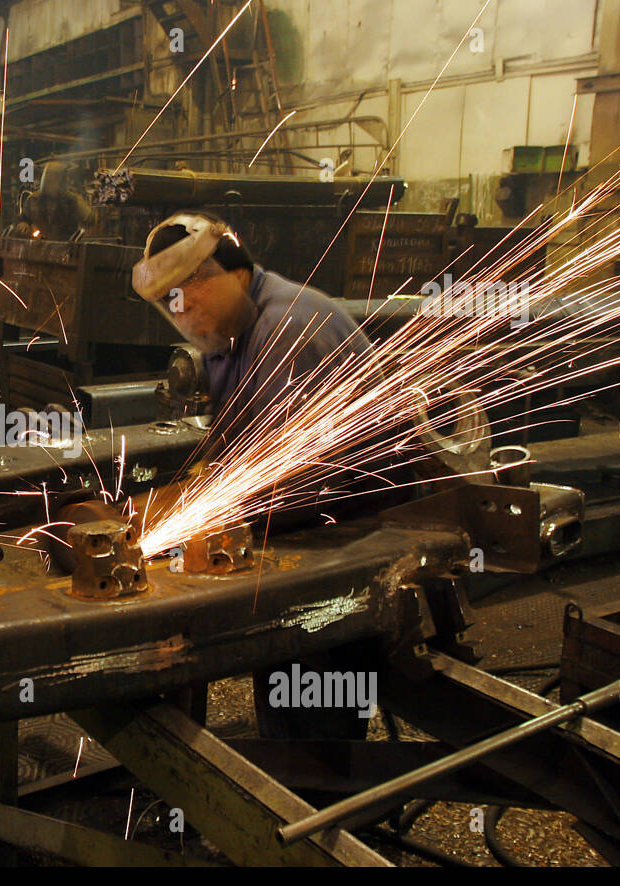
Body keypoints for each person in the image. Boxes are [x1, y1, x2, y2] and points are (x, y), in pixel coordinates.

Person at [130, 209, 413, 738]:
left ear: (236, 272)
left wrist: (184, 513)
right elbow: (234, 447)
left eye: (192, 289)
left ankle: (320, 808)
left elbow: (287, 481)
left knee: (314, 703)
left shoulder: (286, 331)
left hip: (352, 536)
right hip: (304, 526)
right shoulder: (226, 335)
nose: (183, 309)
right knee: (284, 678)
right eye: (170, 300)